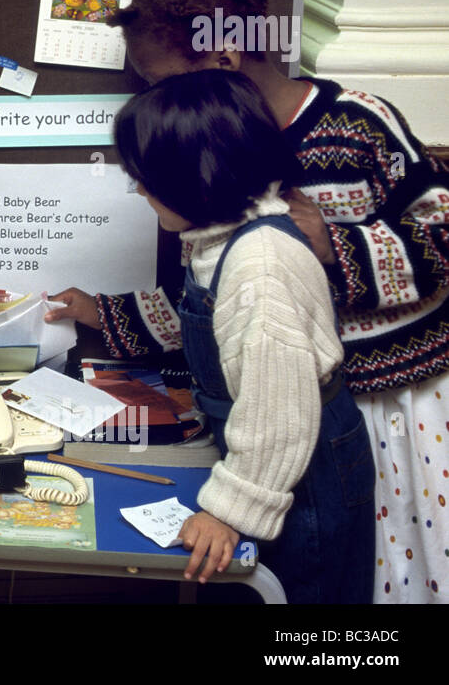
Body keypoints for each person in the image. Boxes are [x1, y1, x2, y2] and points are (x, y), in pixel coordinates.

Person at [46, 0, 449, 601]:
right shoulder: (215, 170)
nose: (153, 101)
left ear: (223, 65)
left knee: (386, 580)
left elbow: (441, 239)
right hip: (288, 409)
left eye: (160, 84)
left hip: (387, 401)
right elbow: (218, 305)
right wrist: (106, 313)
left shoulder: (351, 128)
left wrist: (335, 248)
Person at [112, 69, 374, 602]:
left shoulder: (261, 266)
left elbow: (278, 412)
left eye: (145, 176)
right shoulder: (220, 240)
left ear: (194, 179)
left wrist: (229, 511)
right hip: (275, 449)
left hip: (304, 468)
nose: (137, 188)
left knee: (306, 596)